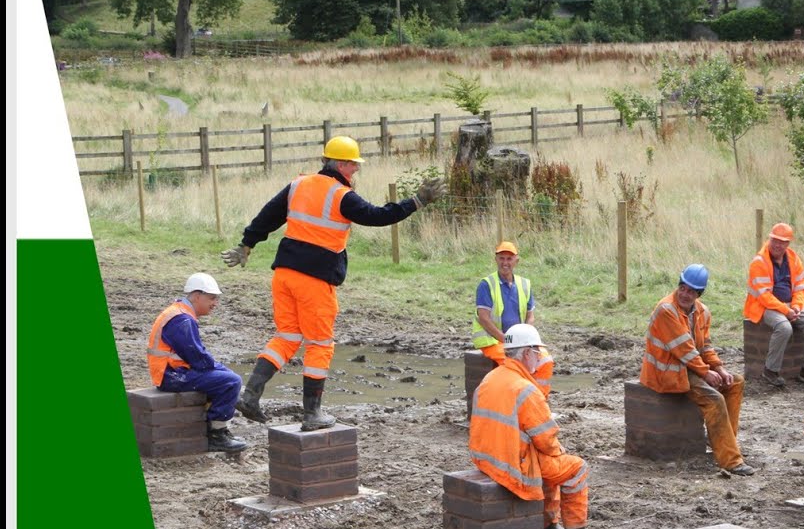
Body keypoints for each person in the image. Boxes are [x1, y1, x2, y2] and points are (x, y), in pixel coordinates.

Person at [222, 136, 445, 431]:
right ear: (340, 164)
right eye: (354, 164)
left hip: (284, 273)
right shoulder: (342, 195)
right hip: (315, 280)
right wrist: (416, 201)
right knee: (320, 344)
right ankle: (312, 414)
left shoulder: (298, 184)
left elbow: (268, 216)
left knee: (288, 336)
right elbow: (377, 216)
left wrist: (246, 245)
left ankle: (250, 396)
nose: (356, 170)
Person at [470, 324, 604, 529]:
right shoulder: (525, 390)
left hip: (487, 458)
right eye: (537, 352)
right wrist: (559, 452)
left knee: (548, 465)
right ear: (525, 353)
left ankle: (549, 527)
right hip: (512, 465)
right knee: (576, 468)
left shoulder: (490, 378)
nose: (540, 357)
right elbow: (546, 440)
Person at [642, 264, 755, 476]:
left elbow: (704, 347)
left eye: (692, 291)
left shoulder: (702, 312)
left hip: (688, 367)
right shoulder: (666, 310)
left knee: (735, 382)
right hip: (667, 372)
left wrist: (719, 369)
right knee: (714, 399)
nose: (685, 294)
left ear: (699, 293)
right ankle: (731, 461)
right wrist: (706, 373)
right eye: (683, 288)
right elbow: (683, 349)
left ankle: (723, 442)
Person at [146, 273, 247, 453]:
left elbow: (196, 357)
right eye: (212, 298)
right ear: (196, 295)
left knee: (227, 378)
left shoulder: (179, 313)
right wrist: (228, 377)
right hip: (172, 376)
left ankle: (216, 429)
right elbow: (197, 358)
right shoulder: (182, 320)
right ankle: (217, 435)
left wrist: (222, 371)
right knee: (231, 381)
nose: (215, 303)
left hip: (172, 372)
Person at [742, 222, 804, 388]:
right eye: (775, 240)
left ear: (788, 243)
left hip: (790, 306)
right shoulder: (759, 262)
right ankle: (770, 370)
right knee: (784, 327)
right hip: (764, 306)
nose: (777, 245)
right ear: (770, 238)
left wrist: (796, 306)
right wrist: (786, 311)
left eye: (782, 242)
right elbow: (764, 296)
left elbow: (802, 288)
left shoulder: (794, 259)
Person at [472, 241, 551, 396]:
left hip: (519, 342)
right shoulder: (486, 284)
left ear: (516, 261)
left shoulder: (524, 284)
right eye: (502, 258)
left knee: (544, 360)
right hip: (493, 342)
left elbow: (530, 316)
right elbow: (484, 318)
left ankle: (540, 400)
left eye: (509, 259)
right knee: (516, 364)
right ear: (496, 259)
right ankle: (522, 401)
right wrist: (508, 341)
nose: (505, 263)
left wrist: (526, 339)